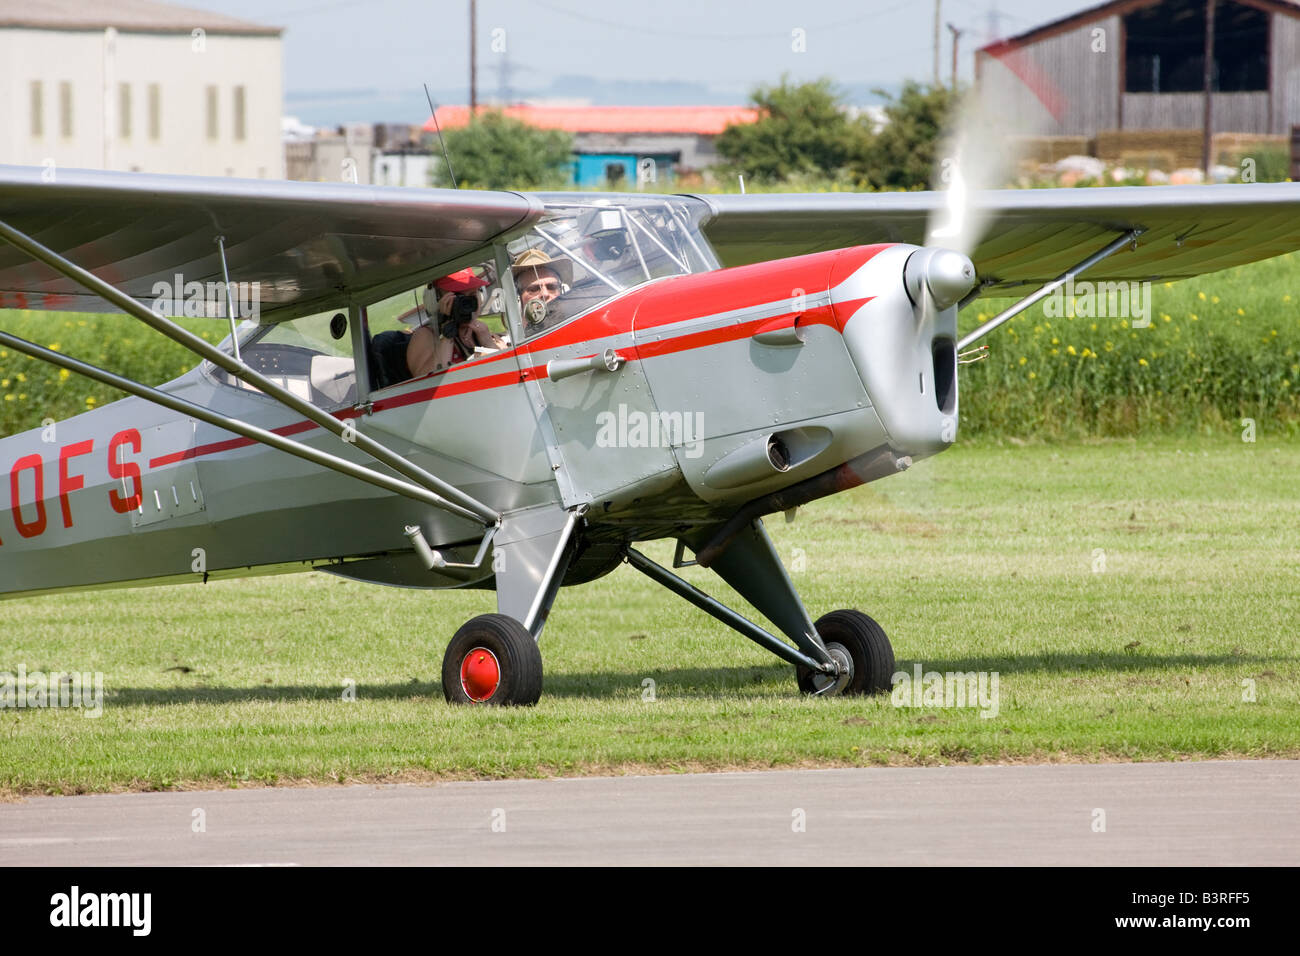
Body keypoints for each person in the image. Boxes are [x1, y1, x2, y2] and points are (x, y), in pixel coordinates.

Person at [511, 248, 572, 333]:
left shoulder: (580, 325)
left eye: (552, 287)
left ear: (563, 291)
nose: (545, 294)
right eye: (534, 289)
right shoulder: (509, 343)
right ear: (518, 298)